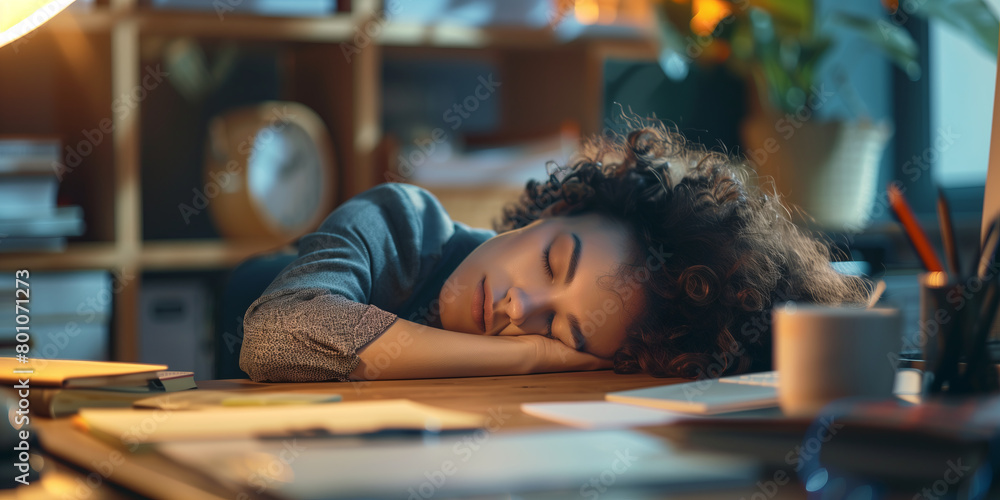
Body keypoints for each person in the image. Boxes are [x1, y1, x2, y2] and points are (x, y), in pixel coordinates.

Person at [239, 123, 870, 383]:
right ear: (554, 211)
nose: (519, 306)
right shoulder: (403, 223)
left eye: (563, 329)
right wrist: (526, 357)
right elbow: (273, 338)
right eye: (551, 263)